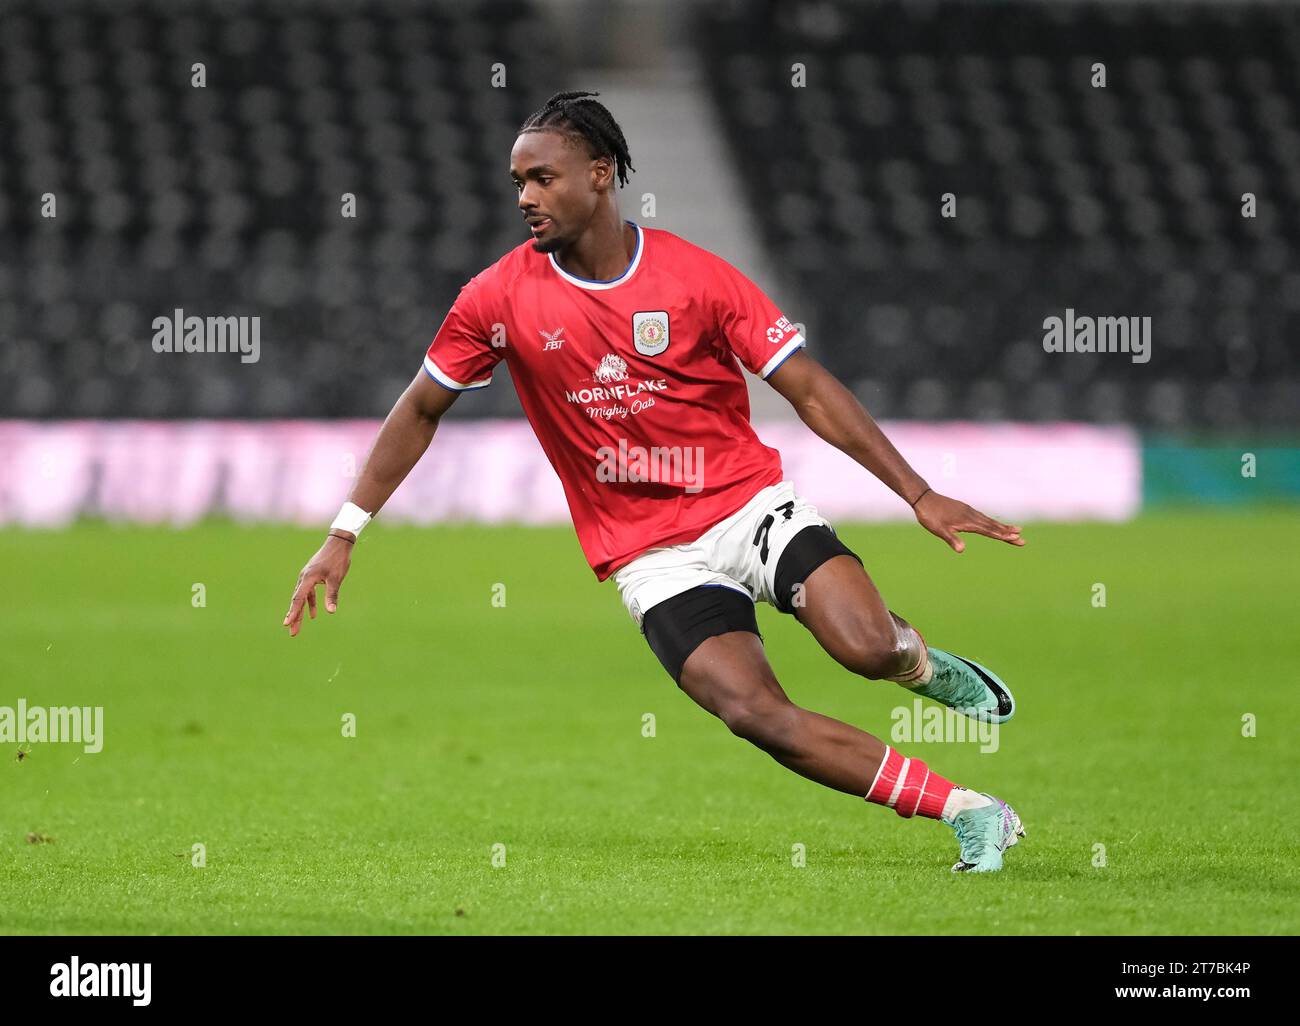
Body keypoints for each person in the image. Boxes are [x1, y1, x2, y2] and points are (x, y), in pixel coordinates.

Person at [283, 91, 1027, 873]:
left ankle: (919, 664)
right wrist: (344, 531)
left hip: (748, 508)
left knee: (865, 648)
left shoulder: (695, 278)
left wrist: (918, 492)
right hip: (649, 554)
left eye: (542, 178)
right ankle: (971, 811)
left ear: (600, 174)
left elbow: (806, 387)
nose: (525, 199)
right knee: (753, 713)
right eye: (516, 183)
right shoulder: (495, 298)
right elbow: (421, 407)